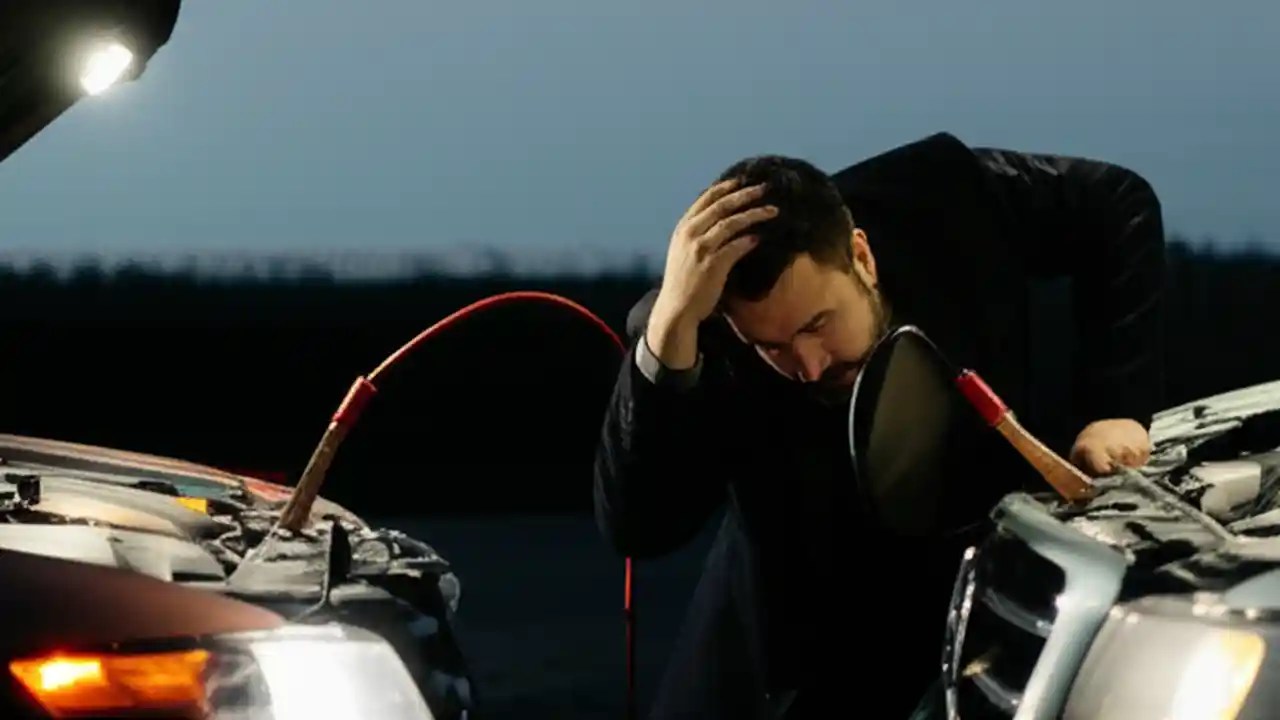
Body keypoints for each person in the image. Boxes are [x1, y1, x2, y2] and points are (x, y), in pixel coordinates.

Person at [592, 131, 1166, 718]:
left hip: (991, 597)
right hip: (801, 652)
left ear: (862, 258)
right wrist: (667, 335)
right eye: (773, 347)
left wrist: (1114, 405)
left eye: (818, 323)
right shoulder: (695, 328)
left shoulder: (943, 198)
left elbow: (1117, 203)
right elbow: (637, 528)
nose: (808, 366)